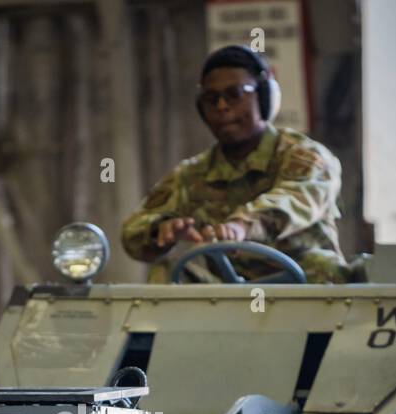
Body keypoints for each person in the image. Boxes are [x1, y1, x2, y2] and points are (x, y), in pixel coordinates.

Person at [121, 45, 352, 284]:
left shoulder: (305, 156)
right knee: (165, 273)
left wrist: (242, 226)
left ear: (263, 97)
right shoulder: (193, 174)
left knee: (324, 267)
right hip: (228, 297)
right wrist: (162, 230)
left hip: (305, 289)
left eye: (235, 94)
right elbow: (132, 233)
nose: (222, 106)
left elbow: (293, 200)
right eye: (212, 99)